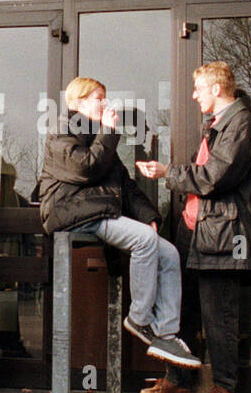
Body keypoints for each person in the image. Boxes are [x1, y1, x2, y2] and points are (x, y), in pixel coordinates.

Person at [136, 61, 251, 393]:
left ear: (216, 89)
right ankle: (179, 379)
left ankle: (224, 386)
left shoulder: (241, 125)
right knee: (181, 308)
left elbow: (214, 176)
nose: (194, 95)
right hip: (196, 230)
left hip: (222, 235)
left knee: (219, 313)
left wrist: (169, 172)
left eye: (198, 88)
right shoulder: (222, 124)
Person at [37, 78, 198, 369]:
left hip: (95, 212)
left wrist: (148, 216)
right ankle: (139, 319)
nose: (105, 104)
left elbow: (124, 186)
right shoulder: (61, 130)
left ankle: (166, 333)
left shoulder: (100, 138)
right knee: (144, 241)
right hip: (69, 212)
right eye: (99, 98)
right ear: (78, 102)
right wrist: (109, 132)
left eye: (105, 98)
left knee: (169, 253)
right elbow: (85, 169)